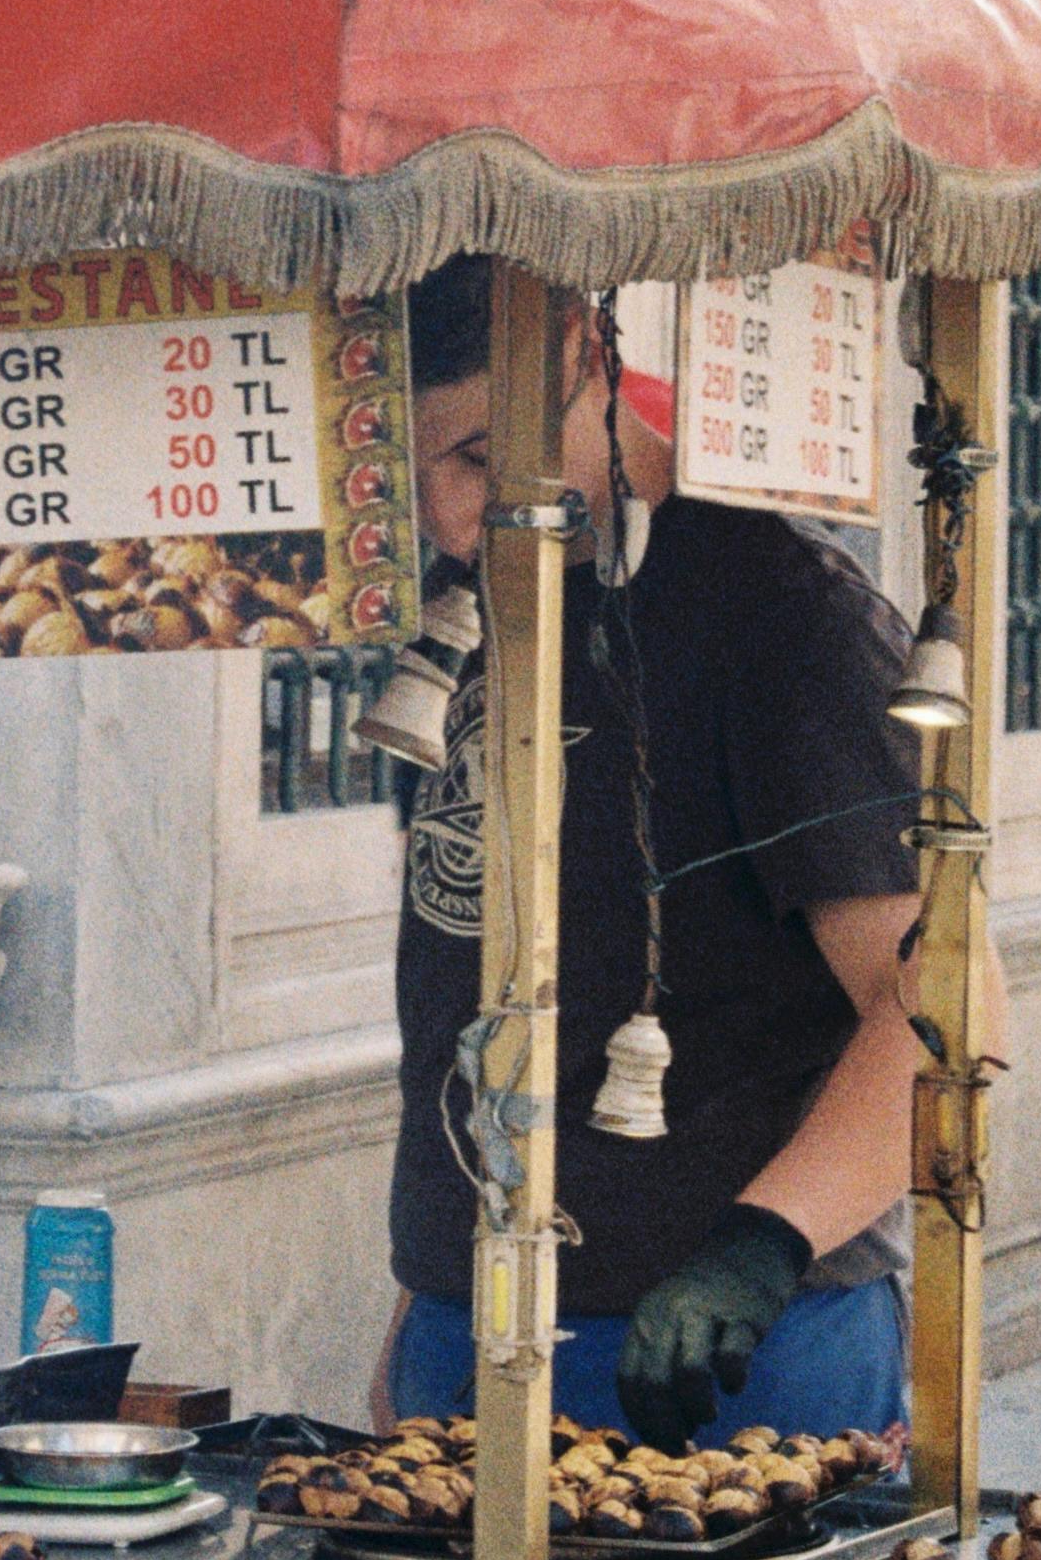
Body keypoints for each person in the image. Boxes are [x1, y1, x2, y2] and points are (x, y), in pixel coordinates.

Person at [378, 262, 920, 1448]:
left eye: (475, 457)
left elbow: (938, 1006)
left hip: (734, 1347)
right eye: (404, 475)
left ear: (581, 349)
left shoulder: (784, 611)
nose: (449, 522)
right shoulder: (464, 613)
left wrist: (760, 1247)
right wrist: (425, 1302)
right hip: (472, 1324)